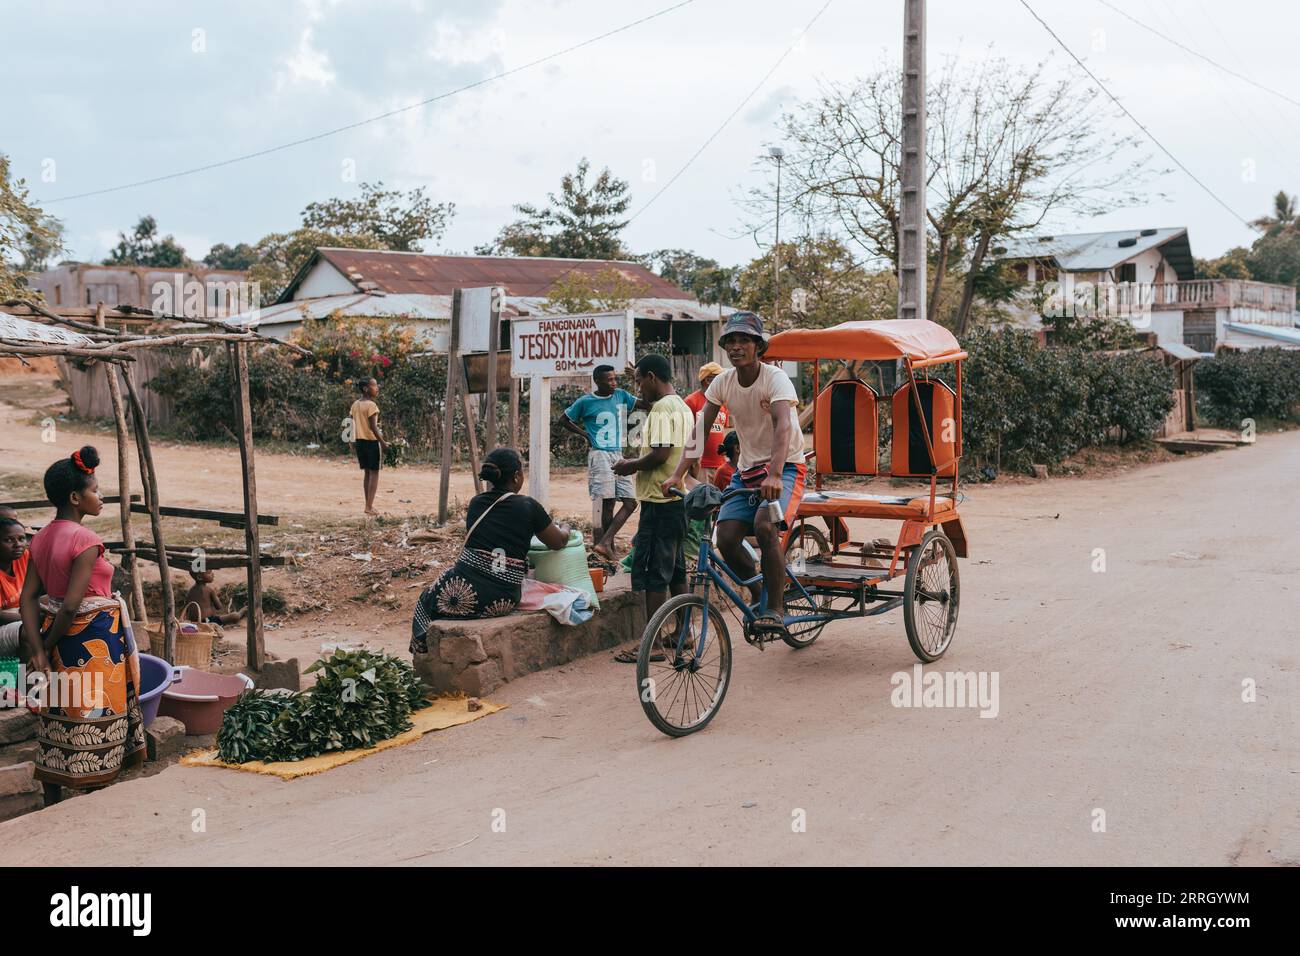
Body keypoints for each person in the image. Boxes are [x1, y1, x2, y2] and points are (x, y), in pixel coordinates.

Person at [663, 311, 806, 639]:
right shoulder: (723, 382)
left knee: (764, 525)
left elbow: (784, 425)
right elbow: (699, 430)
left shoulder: (775, 379)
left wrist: (774, 473)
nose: (737, 346)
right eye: (731, 341)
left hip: (784, 468)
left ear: (758, 346)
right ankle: (758, 594)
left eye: (745, 340)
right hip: (748, 470)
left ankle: (777, 608)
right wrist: (677, 474)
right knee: (725, 538)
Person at [19, 446, 146, 803]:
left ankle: (53, 798)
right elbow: (72, 605)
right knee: (93, 719)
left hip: (56, 641)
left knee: (58, 714)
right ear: (75, 497)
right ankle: (90, 804)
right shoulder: (87, 541)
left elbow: (28, 598)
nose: (100, 496)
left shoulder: (40, 537)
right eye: (94, 491)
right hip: (92, 644)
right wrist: (46, 643)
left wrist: (42, 646)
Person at [411, 448, 570, 655]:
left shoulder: (476, 504)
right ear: (516, 476)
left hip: (463, 592)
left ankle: (421, 652)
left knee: (426, 599)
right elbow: (557, 542)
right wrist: (566, 528)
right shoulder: (528, 506)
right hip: (503, 598)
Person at [610, 354, 693, 663]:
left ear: (652, 377)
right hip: (677, 499)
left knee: (654, 574)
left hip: (658, 502)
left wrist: (629, 465)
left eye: (639, 381)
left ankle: (654, 643)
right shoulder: (682, 407)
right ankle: (684, 634)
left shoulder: (661, 410)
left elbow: (659, 454)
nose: (638, 388)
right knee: (676, 572)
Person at [559, 364, 638, 562]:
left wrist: (638, 379)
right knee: (608, 504)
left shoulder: (621, 395)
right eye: (609, 380)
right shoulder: (586, 402)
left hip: (617, 453)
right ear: (598, 382)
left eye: (614, 379)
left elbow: (646, 404)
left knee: (630, 502)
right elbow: (564, 420)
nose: (613, 383)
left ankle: (604, 542)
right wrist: (585, 434)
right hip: (600, 454)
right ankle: (608, 549)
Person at [683, 362, 731, 485]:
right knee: (704, 501)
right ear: (708, 380)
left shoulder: (722, 402)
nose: (724, 382)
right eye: (719, 378)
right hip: (701, 465)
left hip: (720, 463)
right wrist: (692, 463)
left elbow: (722, 430)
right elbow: (687, 432)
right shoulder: (691, 401)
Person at [349, 377, 388, 516]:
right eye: (374, 385)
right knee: (374, 473)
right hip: (371, 442)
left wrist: (351, 442)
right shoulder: (372, 406)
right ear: (366, 389)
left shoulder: (355, 405)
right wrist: (383, 443)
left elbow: (351, 424)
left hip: (360, 442)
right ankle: (369, 506)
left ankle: (368, 505)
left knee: (367, 473)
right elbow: (373, 427)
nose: (377, 388)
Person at [0, 516, 30, 657]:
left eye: (21, 538)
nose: (17, 544)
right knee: (30, 632)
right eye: (8, 540)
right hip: (5, 622)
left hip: (18, 612)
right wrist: (28, 617)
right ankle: (24, 678)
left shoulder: (23, 557)